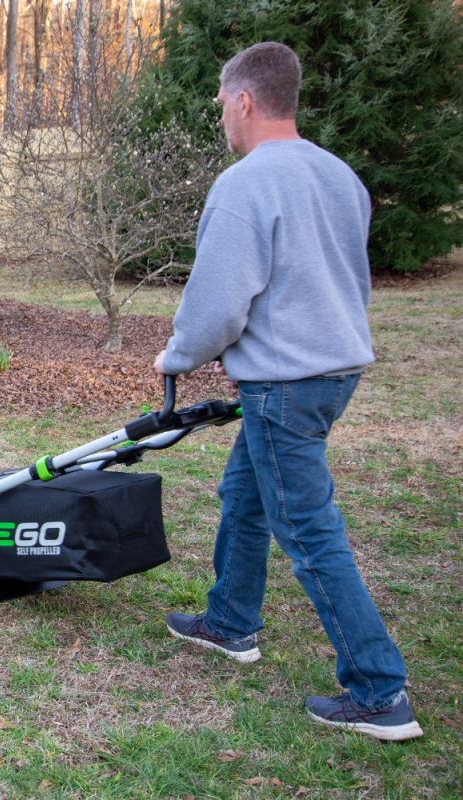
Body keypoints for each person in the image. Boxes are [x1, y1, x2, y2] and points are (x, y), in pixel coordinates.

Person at [153, 42, 422, 741]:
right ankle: (229, 623)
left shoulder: (245, 184)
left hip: (283, 383)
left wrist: (177, 356)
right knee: (245, 496)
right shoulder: (338, 176)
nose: (221, 120)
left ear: (245, 100)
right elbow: (343, 278)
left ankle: (378, 689)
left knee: (307, 530)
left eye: (221, 106)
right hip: (334, 373)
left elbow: (218, 304)